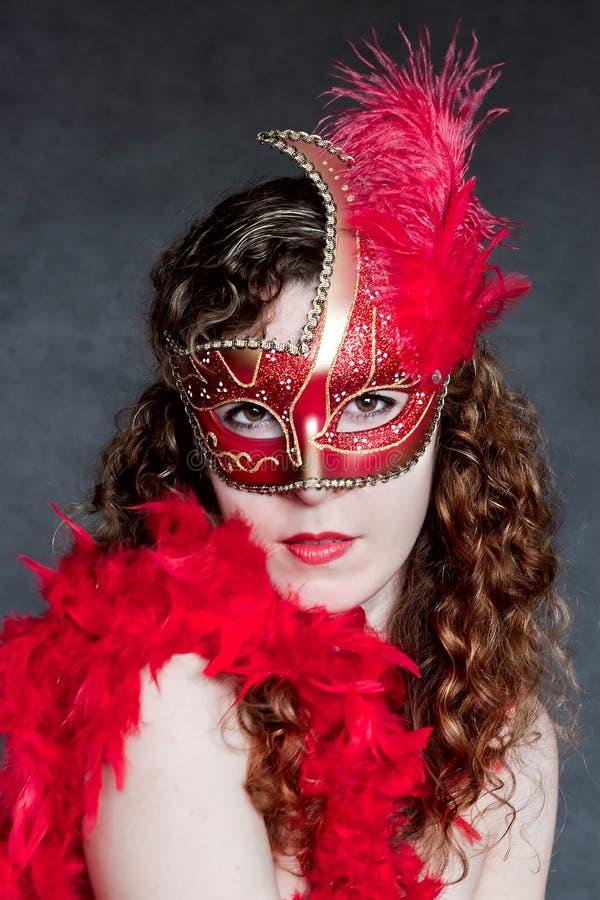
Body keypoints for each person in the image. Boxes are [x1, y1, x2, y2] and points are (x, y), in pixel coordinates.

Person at [0, 28, 572, 900]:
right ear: (196, 440)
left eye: (368, 403)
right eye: (250, 415)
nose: (312, 481)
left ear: (446, 423)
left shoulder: (504, 739)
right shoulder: (169, 698)